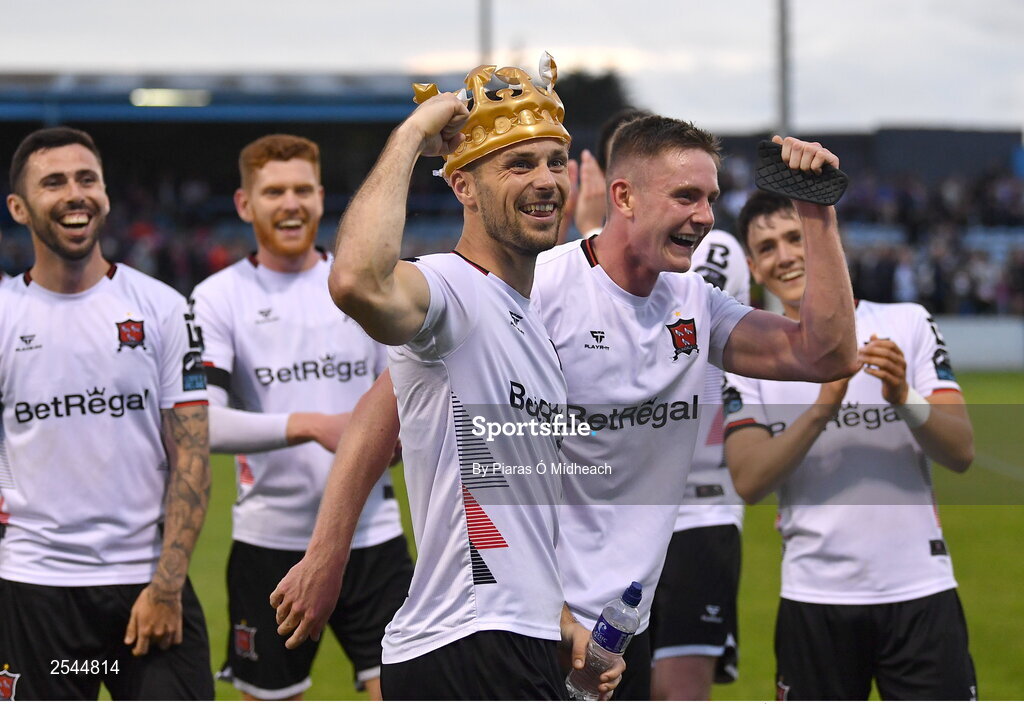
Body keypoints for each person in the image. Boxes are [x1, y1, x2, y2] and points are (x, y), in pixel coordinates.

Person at [275, 112, 859, 700]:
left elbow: (826, 354)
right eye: (686, 196)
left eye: (709, 199)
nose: (705, 217)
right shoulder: (535, 286)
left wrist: (815, 209)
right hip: (527, 620)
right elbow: (384, 409)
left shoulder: (696, 305)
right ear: (623, 195)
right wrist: (327, 554)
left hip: (619, 633)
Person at [275, 57, 621, 700]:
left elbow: (388, 422)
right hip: (470, 646)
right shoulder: (452, 290)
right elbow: (355, 280)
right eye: (519, 165)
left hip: (515, 636)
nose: (545, 180)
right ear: (462, 185)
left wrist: (558, 617)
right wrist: (410, 137)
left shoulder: (531, 323)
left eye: (553, 162)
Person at [722, 190, 977, 700]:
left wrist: (904, 396)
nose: (786, 255)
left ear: (824, 239)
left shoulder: (906, 322)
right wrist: (821, 409)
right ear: (753, 266)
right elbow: (748, 481)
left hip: (919, 589)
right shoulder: (746, 352)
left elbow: (961, 449)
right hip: (814, 597)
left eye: (796, 237)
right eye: (767, 247)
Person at [190, 134, 410, 700]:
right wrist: (311, 424)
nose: (290, 203)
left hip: (373, 539)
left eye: (302, 190)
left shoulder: (363, 287)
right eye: (274, 191)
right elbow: (200, 424)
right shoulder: (217, 297)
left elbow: (411, 397)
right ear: (245, 204)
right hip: (269, 544)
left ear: (320, 197)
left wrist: (405, 437)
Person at [0, 126, 213, 699]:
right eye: (53, 183)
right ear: (18, 207)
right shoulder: (3, 315)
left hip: (146, 585)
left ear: (106, 195)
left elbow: (191, 454)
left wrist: (166, 588)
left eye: (86, 179)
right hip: (35, 591)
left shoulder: (163, 309)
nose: (75, 193)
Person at [650, 227, 749, 700]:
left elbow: (687, 332)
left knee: (678, 691)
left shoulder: (719, 249)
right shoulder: (592, 253)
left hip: (701, 511)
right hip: (619, 516)